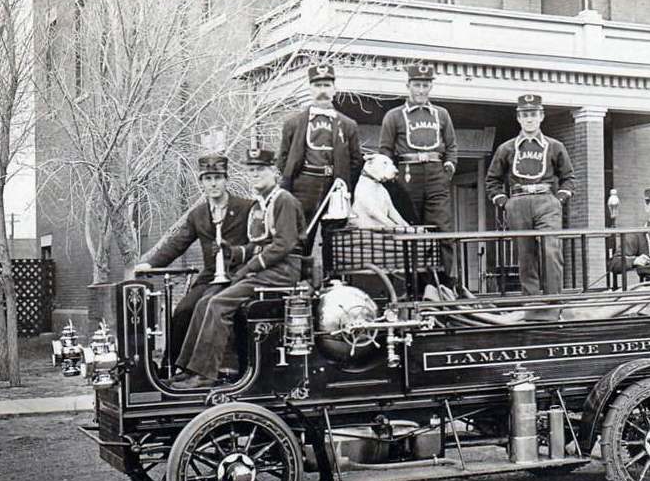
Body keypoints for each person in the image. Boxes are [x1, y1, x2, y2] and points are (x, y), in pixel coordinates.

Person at [170, 147, 305, 389]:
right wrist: (235, 252)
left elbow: (284, 244)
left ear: (274, 172)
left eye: (260, 170)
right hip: (269, 270)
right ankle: (188, 368)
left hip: (283, 272)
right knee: (203, 303)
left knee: (218, 303)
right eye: (251, 171)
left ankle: (207, 374)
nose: (255, 175)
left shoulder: (283, 200)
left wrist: (248, 268)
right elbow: (258, 244)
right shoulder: (265, 203)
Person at [132, 154, 253, 372]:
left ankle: (232, 369)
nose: (213, 183)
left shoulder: (246, 208)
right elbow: (177, 243)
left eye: (217, 177)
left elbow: (257, 243)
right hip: (209, 277)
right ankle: (169, 367)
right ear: (202, 183)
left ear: (226, 179)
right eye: (207, 178)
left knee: (208, 306)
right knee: (183, 310)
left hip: (238, 276)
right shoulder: (197, 215)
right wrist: (151, 264)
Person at [485, 94, 575, 298]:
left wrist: (558, 199)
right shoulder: (507, 148)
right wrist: (504, 202)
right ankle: (532, 303)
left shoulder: (554, 146)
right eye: (525, 115)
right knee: (525, 255)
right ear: (518, 118)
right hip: (518, 201)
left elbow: (568, 177)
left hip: (546, 200)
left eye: (533, 114)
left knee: (551, 251)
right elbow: (492, 180)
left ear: (541, 116)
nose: (529, 119)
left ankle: (553, 302)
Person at [379, 63, 457, 280]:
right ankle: (412, 287)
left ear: (430, 87)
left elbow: (451, 147)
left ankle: (443, 285)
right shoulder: (393, 116)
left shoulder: (442, 114)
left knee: (442, 230)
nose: (421, 90)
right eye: (417, 85)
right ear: (408, 85)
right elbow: (385, 151)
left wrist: (448, 169)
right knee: (408, 230)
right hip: (407, 175)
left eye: (425, 85)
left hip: (435, 174)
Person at [277, 64, 362, 252]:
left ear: (334, 89)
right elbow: (283, 159)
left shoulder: (348, 125)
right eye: (317, 85)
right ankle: (297, 279)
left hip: (335, 187)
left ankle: (332, 280)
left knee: (335, 242)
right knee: (301, 237)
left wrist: (344, 184)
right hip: (304, 187)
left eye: (326, 85)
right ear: (310, 88)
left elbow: (356, 162)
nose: (322, 91)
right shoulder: (293, 123)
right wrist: (297, 181)